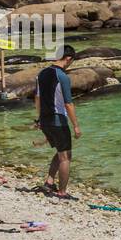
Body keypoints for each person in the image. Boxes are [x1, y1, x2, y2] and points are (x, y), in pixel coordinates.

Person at [34, 45, 81, 198]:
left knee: (60, 152)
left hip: (45, 120)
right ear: (68, 58)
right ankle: (62, 192)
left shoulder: (42, 73)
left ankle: (49, 182)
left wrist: (39, 119)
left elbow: (37, 98)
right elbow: (68, 103)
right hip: (58, 121)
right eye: (71, 61)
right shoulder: (62, 77)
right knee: (66, 156)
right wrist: (75, 126)